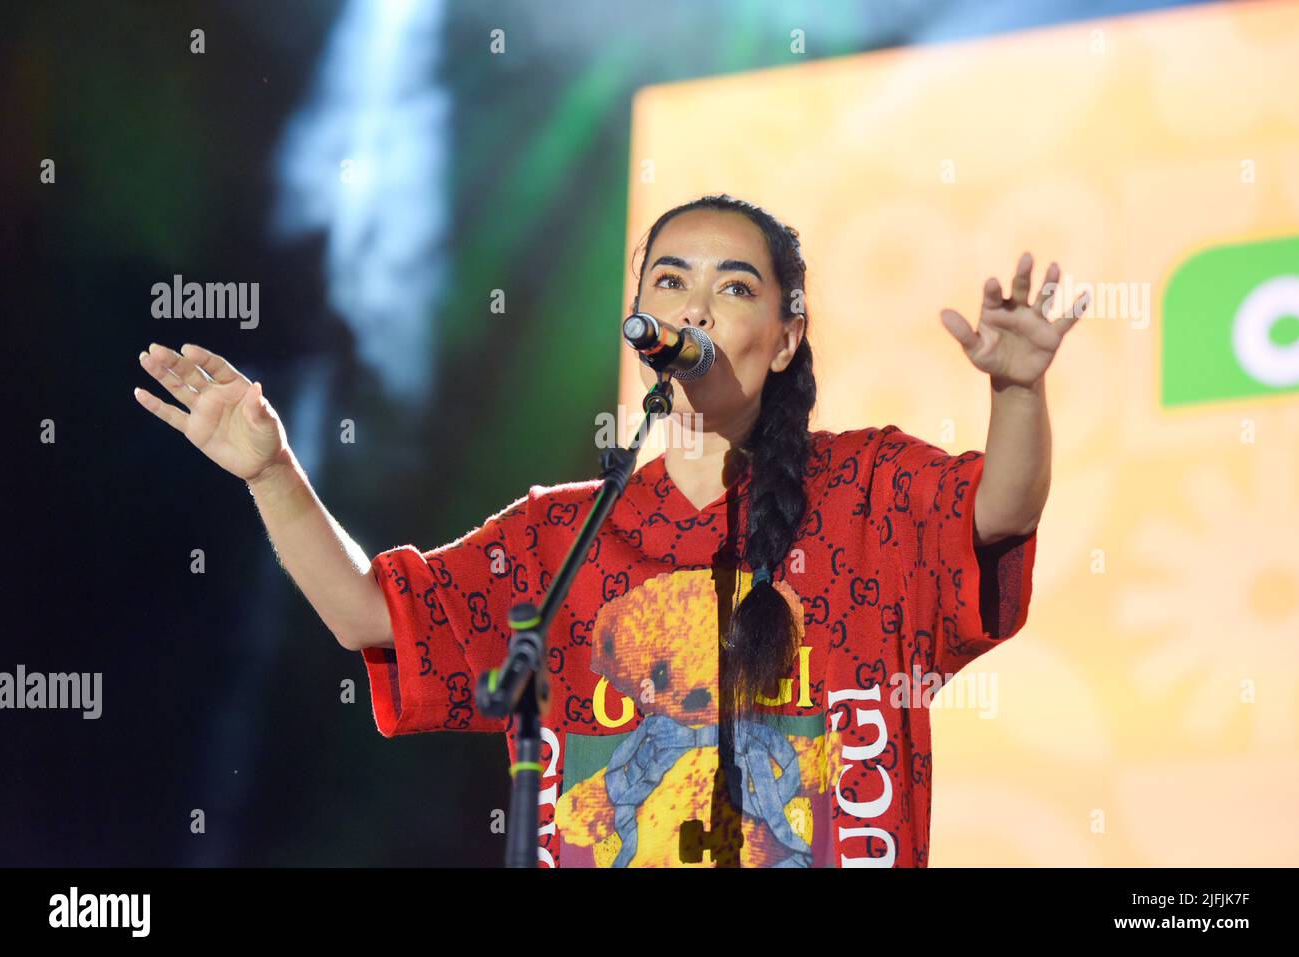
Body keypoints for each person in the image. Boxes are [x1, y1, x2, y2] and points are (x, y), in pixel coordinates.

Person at [133, 193, 1086, 867]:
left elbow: (998, 512)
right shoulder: (564, 533)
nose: (695, 306)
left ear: (788, 337)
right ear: (641, 324)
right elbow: (374, 615)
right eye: (670, 282)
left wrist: (1017, 388)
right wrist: (273, 473)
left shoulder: (869, 486)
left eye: (736, 286)